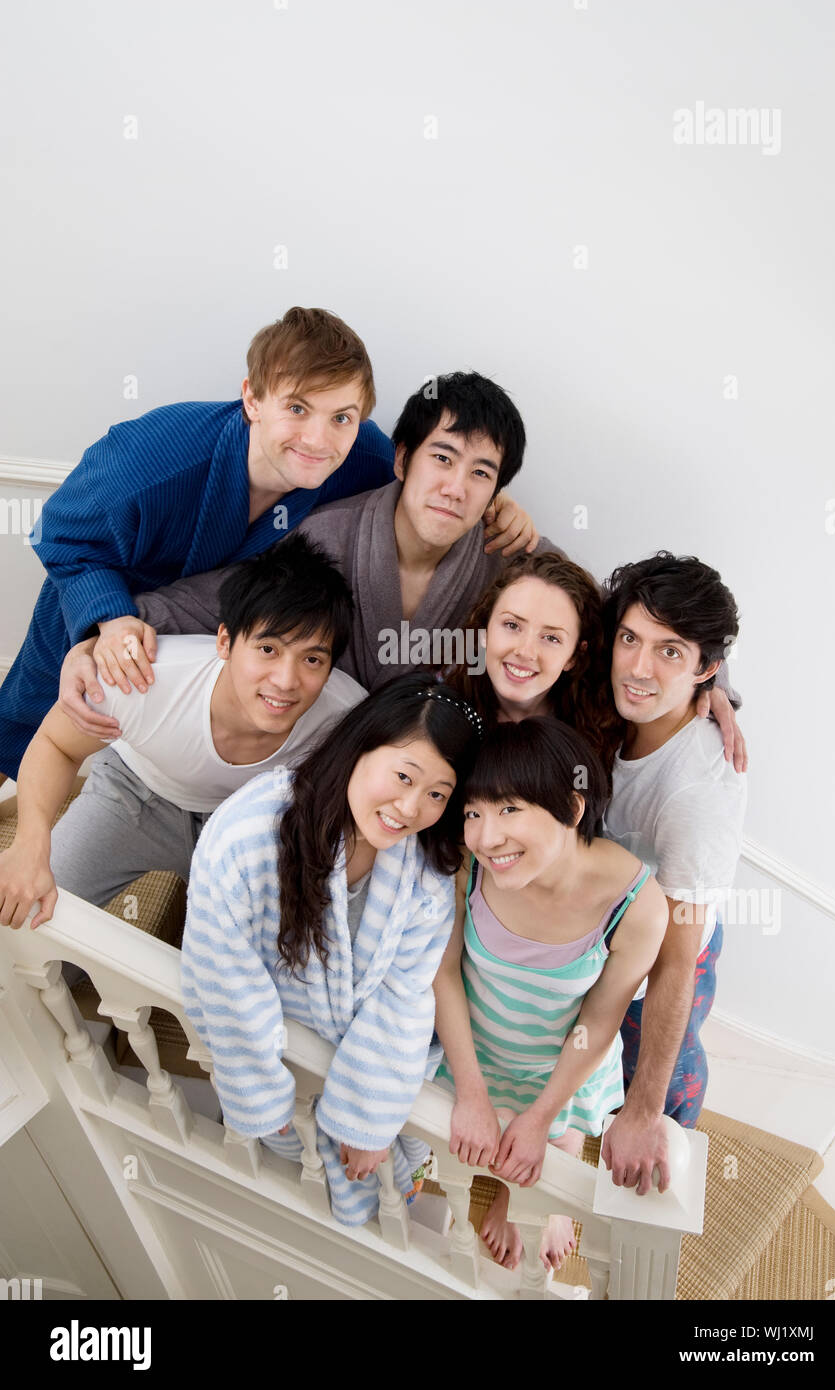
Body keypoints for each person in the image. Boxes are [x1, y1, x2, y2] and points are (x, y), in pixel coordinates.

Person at [0, 312, 528, 782]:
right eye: (297, 408)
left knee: (167, 740)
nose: (319, 439)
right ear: (252, 398)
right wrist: (103, 625)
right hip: (106, 588)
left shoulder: (361, 454)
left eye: (342, 416)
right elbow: (59, 531)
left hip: (225, 616)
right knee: (39, 715)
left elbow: (430, 480)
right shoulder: (152, 458)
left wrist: (492, 506)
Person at [180, 674, 484, 1227]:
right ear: (360, 746)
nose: (411, 807)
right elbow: (224, 979)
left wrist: (365, 1117)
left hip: (368, 1068)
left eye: (437, 794)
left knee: (388, 1183)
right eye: (403, 776)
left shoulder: (421, 873)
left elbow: (405, 995)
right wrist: (262, 1096)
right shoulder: (249, 838)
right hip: (282, 1069)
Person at [61, 371, 554, 700]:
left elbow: (582, 608)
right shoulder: (327, 534)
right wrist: (113, 626)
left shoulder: (507, 552)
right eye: (442, 459)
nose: (454, 489)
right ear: (402, 460)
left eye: (481, 474)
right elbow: (221, 597)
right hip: (308, 749)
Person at [0, 535, 364, 925]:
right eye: (268, 650)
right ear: (225, 641)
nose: (286, 680)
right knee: (30, 917)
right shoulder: (146, 679)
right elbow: (57, 742)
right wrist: (31, 841)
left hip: (251, 825)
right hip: (136, 792)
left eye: (311, 659)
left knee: (274, 952)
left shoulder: (345, 718)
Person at [433, 718, 667, 1271]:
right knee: (445, 1148)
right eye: (474, 812)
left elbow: (602, 1019)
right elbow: (442, 974)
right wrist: (471, 1091)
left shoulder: (636, 903)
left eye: (510, 809)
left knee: (551, 1149)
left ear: (573, 807)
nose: (487, 837)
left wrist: (540, 1116)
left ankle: (534, 1194)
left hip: (563, 1065)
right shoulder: (468, 865)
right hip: (474, 1048)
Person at [600, 553, 748, 1194]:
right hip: (607, 919)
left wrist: (643, 1110)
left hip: (671, 948)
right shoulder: (611, 702)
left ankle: (665, 1156)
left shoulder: (697, 794)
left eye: (670, 652)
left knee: (662, 1068)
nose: (637, 667)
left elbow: (677, 960)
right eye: (631, 638)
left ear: (705, 667)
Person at [447, 550, 745, 773]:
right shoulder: (445, 710)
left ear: (575, 655)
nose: (526, 651)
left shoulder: (601, 718)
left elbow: (674, 625)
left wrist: (708, 682)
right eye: (512, 625)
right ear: (483, 631)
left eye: (552, 638)